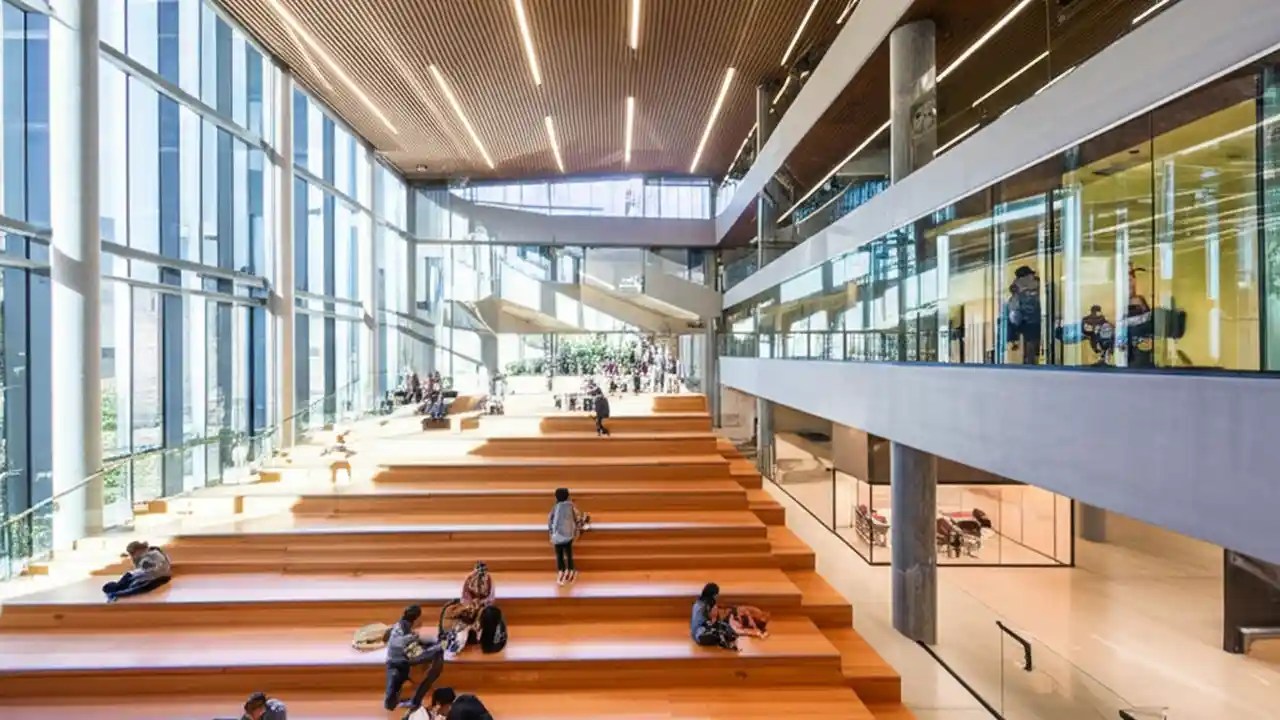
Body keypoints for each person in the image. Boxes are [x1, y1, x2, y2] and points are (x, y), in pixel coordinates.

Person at [384, 604, 446, 712]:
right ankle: (416, 699)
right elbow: (413, 650)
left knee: (392, 692)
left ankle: (407, 699)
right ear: (417, 619)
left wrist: (433, 642)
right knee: (438, 652)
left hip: (397, 661)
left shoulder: (402, 625)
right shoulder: (405, 632)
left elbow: (416, 640)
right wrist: (438, 646)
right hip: (401, 661)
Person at [102, 540, 172, 602]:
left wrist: (146, 565)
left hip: (158, 576)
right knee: (130, 578)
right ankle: (116, 589)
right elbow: (140, 569)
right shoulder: (141, 556)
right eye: (131, 554)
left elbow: (152, 565)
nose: (132, 556)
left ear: (139, 549)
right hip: (148, 575)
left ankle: (117, 592)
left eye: (132, 553)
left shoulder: (154, 553)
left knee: (136, 586)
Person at [1007, 265, 1041, 364]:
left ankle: (1014, 341)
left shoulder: (1031, 288)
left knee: (1031, 344)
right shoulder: (1020, 289)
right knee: (1031, 344)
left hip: (1032, 322)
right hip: (1029, 322)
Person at [690, 583, 739, 650]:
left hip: (695, 633)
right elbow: (711, 622)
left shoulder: (698, 602)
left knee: (725, 629)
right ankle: (725, 642)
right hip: (701, 633)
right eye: (716, 594)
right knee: (723, 630)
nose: (717, 596)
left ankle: (724, 638)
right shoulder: (707, 605)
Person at [549, 487, 579, 585]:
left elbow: (550, 520)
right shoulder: (570, 506)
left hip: (558, 536)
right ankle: (570, 570)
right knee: (569, 554)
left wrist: (551, 533)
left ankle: (561, 572)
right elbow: (576, 517)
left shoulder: (555, 507)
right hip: (568, 535)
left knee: (560, 555)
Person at [425, 688, 493, 720]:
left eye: (440, 712)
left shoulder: (455, 713)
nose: (440, 714)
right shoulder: (466, 698)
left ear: (439, 704)